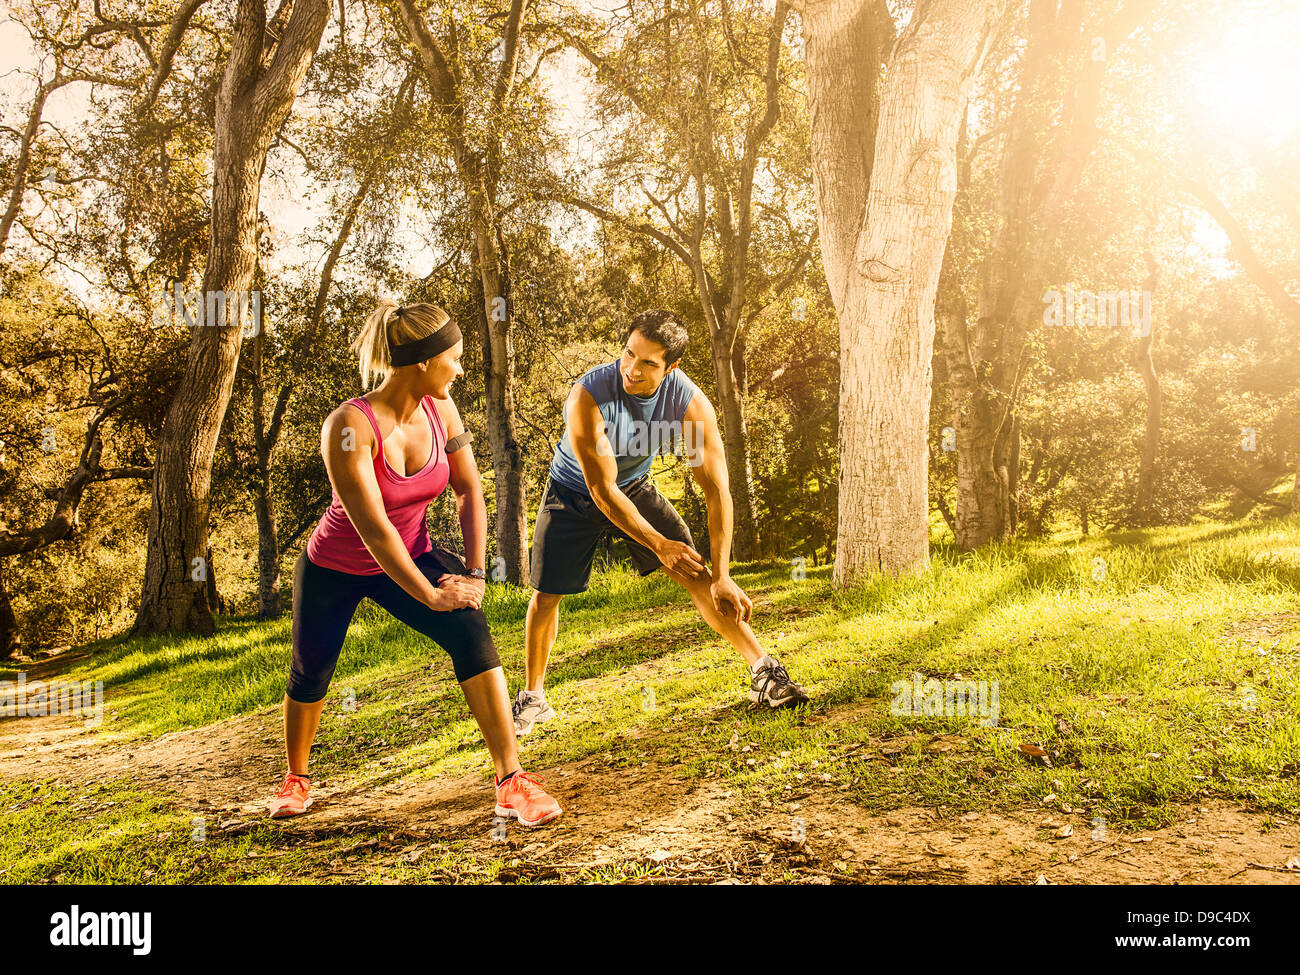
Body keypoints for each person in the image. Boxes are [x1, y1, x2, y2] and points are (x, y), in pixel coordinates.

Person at [269, 300, 561, 828]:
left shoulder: (441, 408)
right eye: (455, 358)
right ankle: (297, 777)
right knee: (311, 670)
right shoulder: (348, 426)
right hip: (336, 565)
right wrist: (429, 594)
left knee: (471, 632)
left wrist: (473, 574)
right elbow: (374, 528)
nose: (462, 368)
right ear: (422, 362)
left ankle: (510, 781)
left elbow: (470, 491)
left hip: (413, 551)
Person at [514, 309, 809, 734]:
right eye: (628, 354)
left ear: (671, 367)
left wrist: (724, 573)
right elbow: (602, 492)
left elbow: (715, 491)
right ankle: (534, 697)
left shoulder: (686, 405)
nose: (632, 370)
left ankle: (764, 671)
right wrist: (658, 544)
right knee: (546, 596)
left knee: (699, 575)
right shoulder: (589, 397)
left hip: (633, 486)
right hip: (573, 492)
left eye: (649, 362)